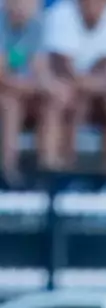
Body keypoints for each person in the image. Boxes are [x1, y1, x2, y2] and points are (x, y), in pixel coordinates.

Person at [37, 0, 106, 178]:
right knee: (68, 101)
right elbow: (64, 66)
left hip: (97, 91)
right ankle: (58, 173)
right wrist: (96, 82)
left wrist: (94, 84)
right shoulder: (62, 12)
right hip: (66, 86)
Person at [0, 0, 47, 188]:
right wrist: (32, 86)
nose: (24, 7)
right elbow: (1, 74)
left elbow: (39, 68)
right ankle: (8, 171)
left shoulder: (35, 26)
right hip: (7, 90)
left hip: (19, 90)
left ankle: (47, 173)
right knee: (10, 105)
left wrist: (38, 86)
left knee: (51, 104)